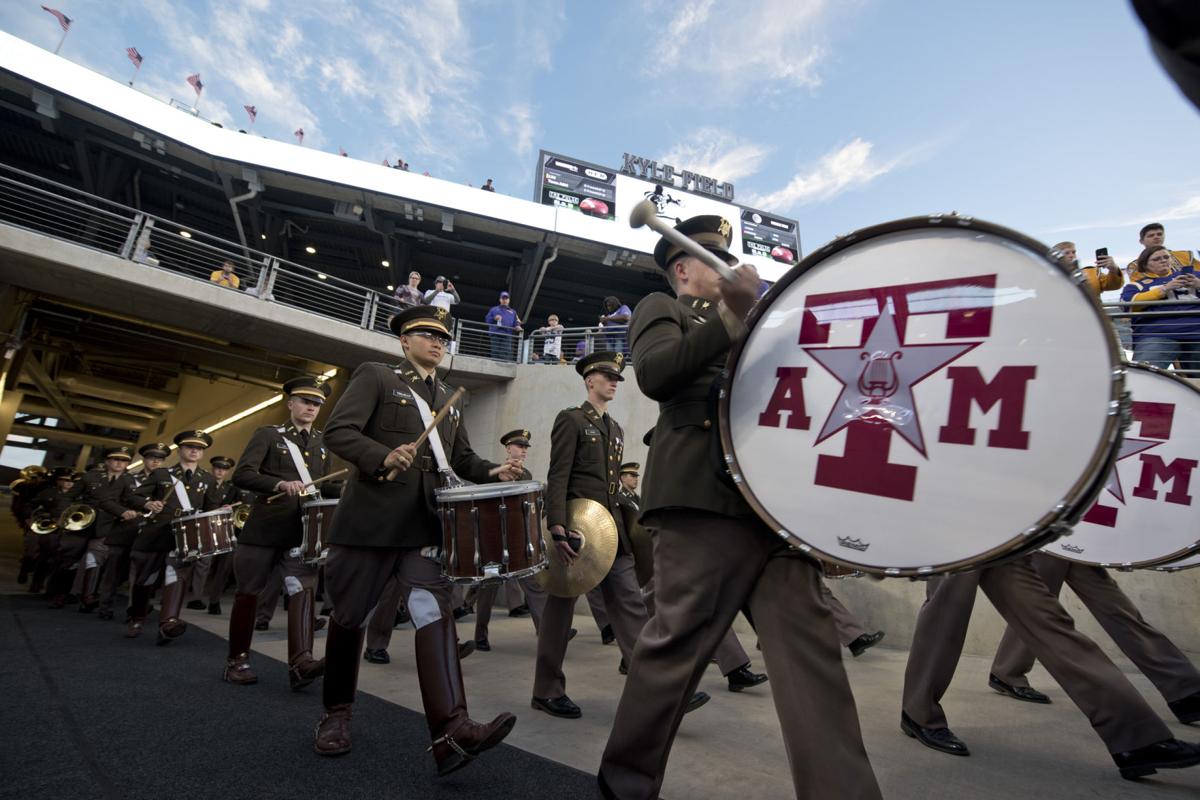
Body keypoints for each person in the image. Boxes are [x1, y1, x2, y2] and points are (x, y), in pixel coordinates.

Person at [597, 215, 882, 799]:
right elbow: (655, 375)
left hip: (772, 505)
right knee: (676, 647)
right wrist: (730, 315)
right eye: (716, 261)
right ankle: (625, 784)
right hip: (704, 497)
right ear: (683, 268)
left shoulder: (761, 328)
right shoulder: (664, 307)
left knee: (813, 659)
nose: (731, 268)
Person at [313, 305, 523, 775]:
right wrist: (382, 454)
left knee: (434, 608)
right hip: (372, 520)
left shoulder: (448, 395)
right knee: (350, 618)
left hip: (426, 524)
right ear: (405, 341)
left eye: (442, 337)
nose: (437, 342)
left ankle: (452, 730)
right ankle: (336, 714)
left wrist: (494, 470)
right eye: (426, 335)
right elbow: (338, 432)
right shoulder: (377, 377)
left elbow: (462, 458)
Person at [533, 351, 708, 721]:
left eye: (617, 378)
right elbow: (559, 475)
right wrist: (556, 526)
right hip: (577, 532)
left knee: (631, 605)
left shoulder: (614, 429)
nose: (613, 382)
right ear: (589, 380)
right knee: (559, 612)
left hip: (609, 533)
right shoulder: (571, 420)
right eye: (606, 376)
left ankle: (661, 690)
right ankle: (546, 690)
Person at [901, 562, 1200, 779]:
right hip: (956, 518)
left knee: (1051, 623)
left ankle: (1137, 737)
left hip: (1006, 527)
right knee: (947, 612)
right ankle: (919, 712)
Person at [987, 552, 1200, 723]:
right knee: (1040, 608)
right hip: (1051, 528)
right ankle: (1184, 689)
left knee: (1114, 607)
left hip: (1076, 529)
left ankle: (1185, 688)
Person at [223, 377, 337, 690]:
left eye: (316, 404)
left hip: (302, 532)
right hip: (264, 528)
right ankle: (237, 660)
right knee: (249, 594)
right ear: (290, 404)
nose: (311, 407)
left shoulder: (322, 443)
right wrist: (278, 484)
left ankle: (301, 662)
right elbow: (243, 474)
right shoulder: (269, 435)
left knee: (302, 592)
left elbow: (325, 485)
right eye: (305, 401)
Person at [126, 431, 223, 642]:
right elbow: (134, 496)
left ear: (203, 453)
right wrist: (147, 503)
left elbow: (211, 507)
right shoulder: (162, 474)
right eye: (190, 447)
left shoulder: (207, 479)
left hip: (186, 535)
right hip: (157, 531)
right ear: (180, 450)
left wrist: (218, 512)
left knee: (177, 576)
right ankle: (137, 617)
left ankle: (168, 623)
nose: (195, 450)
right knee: (146, 578)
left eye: (199, 448)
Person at [471, 429, 545, 651]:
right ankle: (480, 635)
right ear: (508, 449)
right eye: (519, 447)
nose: (523, 451)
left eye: (525, 447)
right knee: (488, 589)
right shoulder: (493, 472)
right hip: (494, 540)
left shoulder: (527, 474)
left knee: (534, 585)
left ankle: (546, 632)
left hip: (518, 539)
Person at [96, 443, 168, 620]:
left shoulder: (166, 483)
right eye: (152, 459)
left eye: (160, 459)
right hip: (124, 531)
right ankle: (105, 606)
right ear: (144, 460)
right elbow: (106, 500)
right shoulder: (128, 479)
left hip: (148, 534)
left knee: (140, 576)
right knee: (113, 573)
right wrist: (122, 511)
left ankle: (134, 610)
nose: (155, 462)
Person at [1121, 245, 1200, 371]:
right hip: (1158, 334)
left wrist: (1198, 284)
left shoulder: (1194, 276)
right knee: (1144, 374)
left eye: (1166, 257)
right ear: (1145, 265)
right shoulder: (1136, 285)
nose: (1163, 260)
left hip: (1196, 331)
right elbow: (1127, 306)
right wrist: (1164, 289)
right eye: (1156, 259)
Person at [198, 455, 251, 615]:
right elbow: (224, 503)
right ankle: (214, 601)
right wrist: (228, 507)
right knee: (220, 567)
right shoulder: (235, 486)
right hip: (230, 531)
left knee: (231, 570)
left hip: (250, 533)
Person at [29, 467, 82, 602]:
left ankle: (54, 590)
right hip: (51, 528)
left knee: (61, 560)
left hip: (70, 531)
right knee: (45, 556)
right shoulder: (48, 493)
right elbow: (31, 505)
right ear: (59, 481)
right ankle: (37, 582)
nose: (69, 483)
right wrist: (38, 517)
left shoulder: (79, 497)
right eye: (65, 480)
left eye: (72, 481)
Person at [1126, 222, 1195, 276]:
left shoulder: (1185, 255)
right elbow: (1139, 288)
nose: (1156, 237)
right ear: (1141, 241)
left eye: (1159, 234)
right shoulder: (1135, 266)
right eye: (1151, 235)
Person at [485, 291, 522, 361]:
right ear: (500, 300)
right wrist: (494, 318)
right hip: (495, 334)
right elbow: (487, 320)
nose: (504, 300)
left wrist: (517, 326)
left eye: (506, 298)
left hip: (507, 335)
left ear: (508, 300)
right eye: (503, 298)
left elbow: (516, 322)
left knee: (505, 353)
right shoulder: (494, 309)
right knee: (495, 352)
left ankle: (503, 368)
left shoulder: (513, 312)